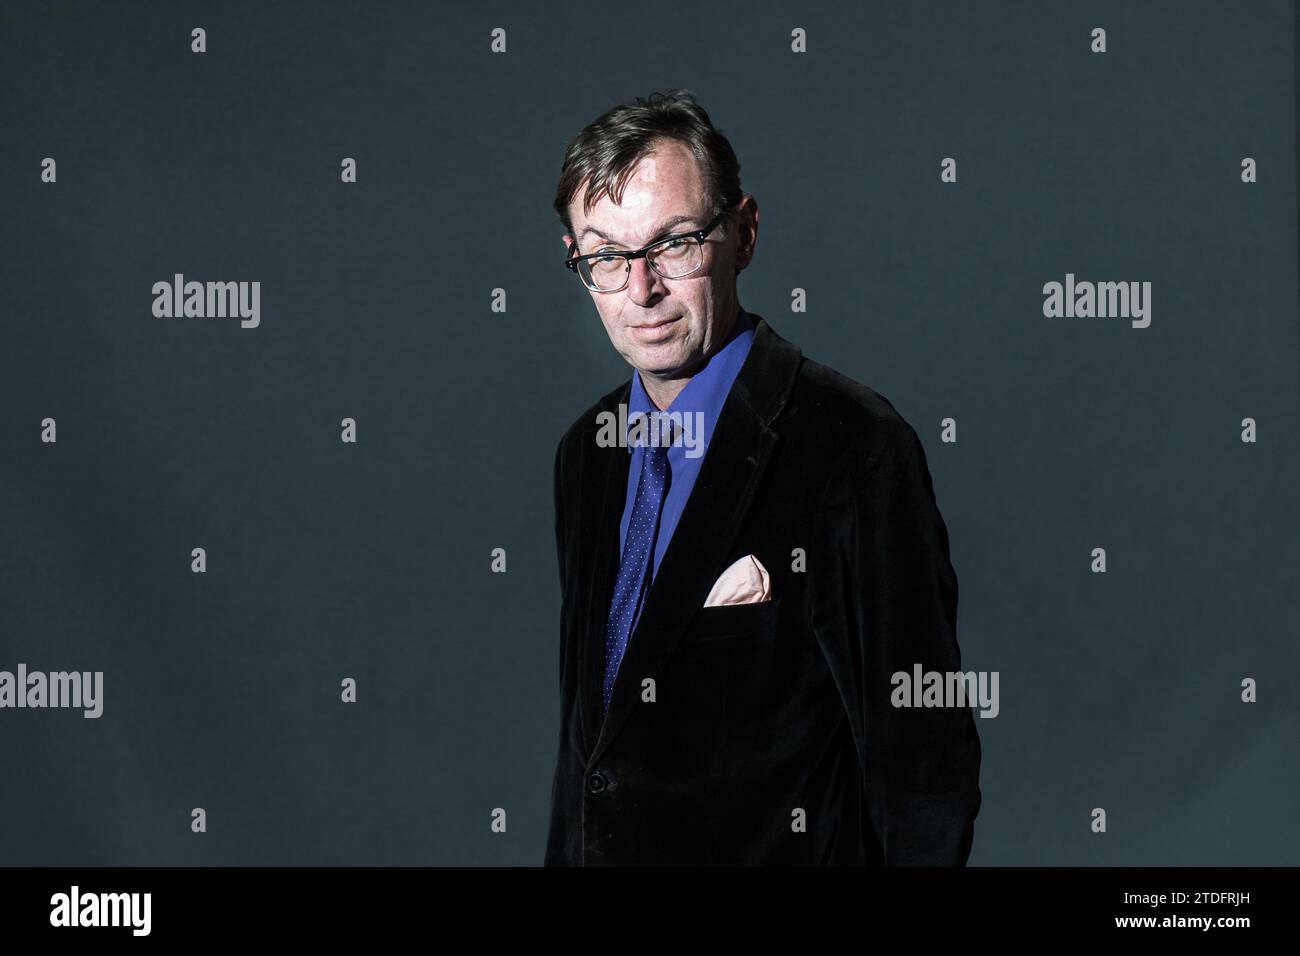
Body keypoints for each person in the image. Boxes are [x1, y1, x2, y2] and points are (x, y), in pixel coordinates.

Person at [545, 89, 982, 865]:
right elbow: (592, 754)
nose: (639, 290)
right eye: (606, 257)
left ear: (742, 234)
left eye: (674, 244)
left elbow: (924, 766)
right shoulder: (587, 454)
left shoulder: (857, 449)